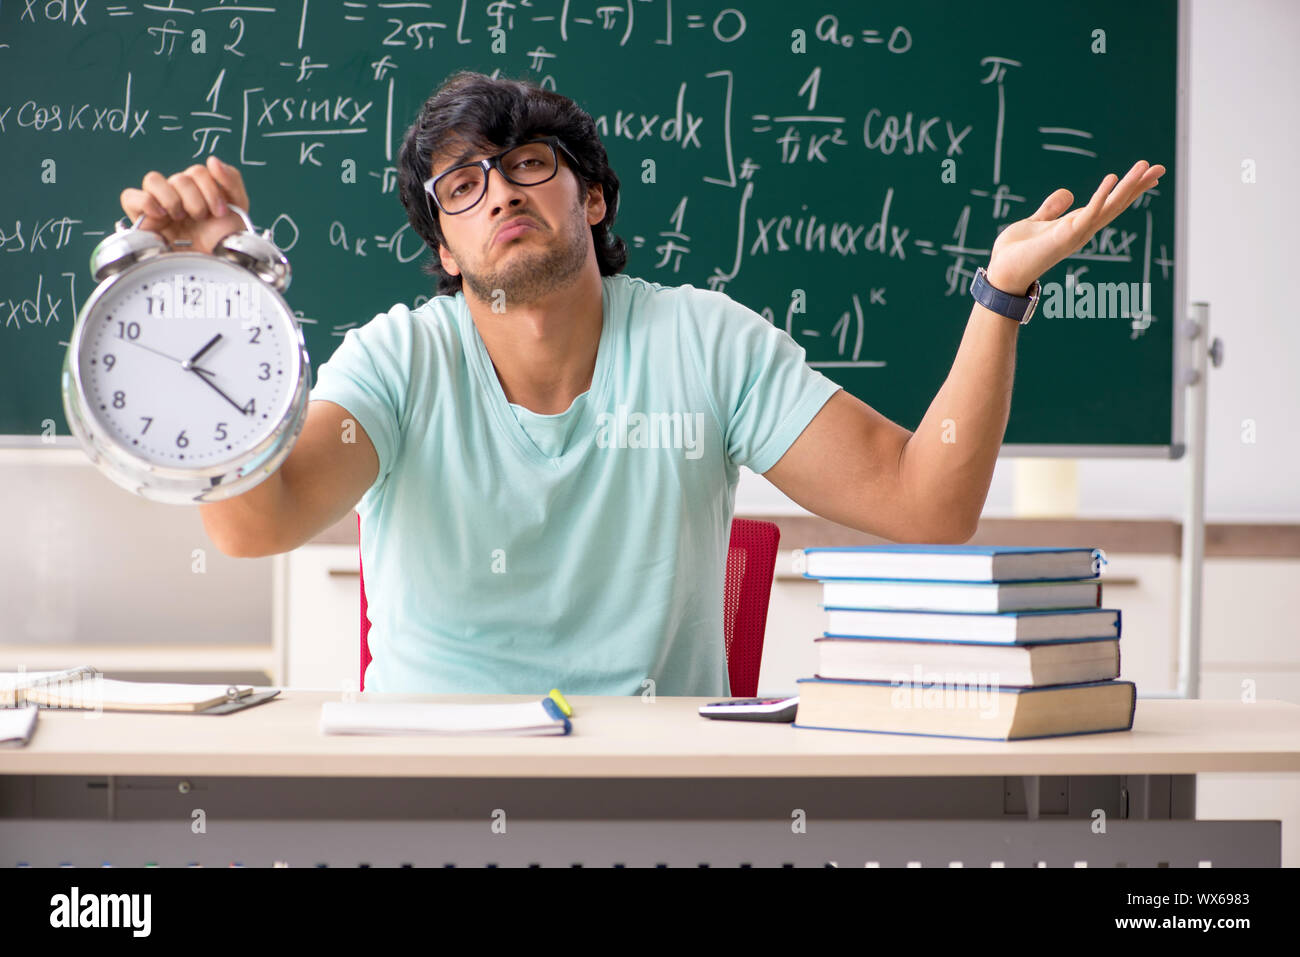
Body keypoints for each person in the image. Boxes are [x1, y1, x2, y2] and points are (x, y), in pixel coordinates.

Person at [119, 71, 1163, 695]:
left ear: (596, 200)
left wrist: (1000, 296)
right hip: (425, 780)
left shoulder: (704, 342)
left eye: (529, 163)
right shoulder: (401, 357)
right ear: (441, 249)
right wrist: (219, 301)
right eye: (461, 185)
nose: (499, 194)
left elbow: (925, 502)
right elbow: (252, 529)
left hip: (657, 787)